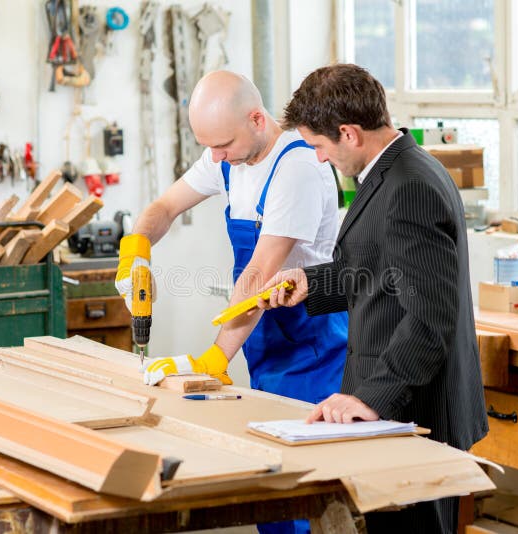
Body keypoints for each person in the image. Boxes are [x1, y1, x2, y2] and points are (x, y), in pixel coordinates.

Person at [257, 64, 488, 533]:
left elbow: (430, 316)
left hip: (413, 411)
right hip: (396, 404)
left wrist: (371, 397)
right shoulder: (399, 171)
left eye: (320, 147)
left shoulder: (410, 187)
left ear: (348, 133)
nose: (320, 160)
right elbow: (384, 273)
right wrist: (313, 282)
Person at [116, 69, 348, 534]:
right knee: (270, 484)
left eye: (222, 145)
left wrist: (213, 358)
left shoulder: (298, 166)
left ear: (257, 119)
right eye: (210, 146)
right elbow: (163, 207)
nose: (216, 156)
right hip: (264, 340)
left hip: (313, 346)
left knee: (303, 489)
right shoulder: (226, 156)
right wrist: (136, 248)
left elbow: (259, 277)